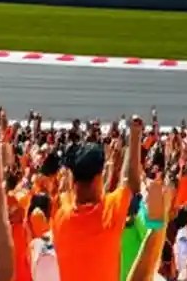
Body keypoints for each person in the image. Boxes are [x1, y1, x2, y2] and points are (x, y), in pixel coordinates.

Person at [51, 116, 143, 281]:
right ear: (97, 179)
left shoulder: (59, 219)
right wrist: (134, 136)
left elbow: (66, 194)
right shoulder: (110, 214)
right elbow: (132, 183)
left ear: (73, 179)